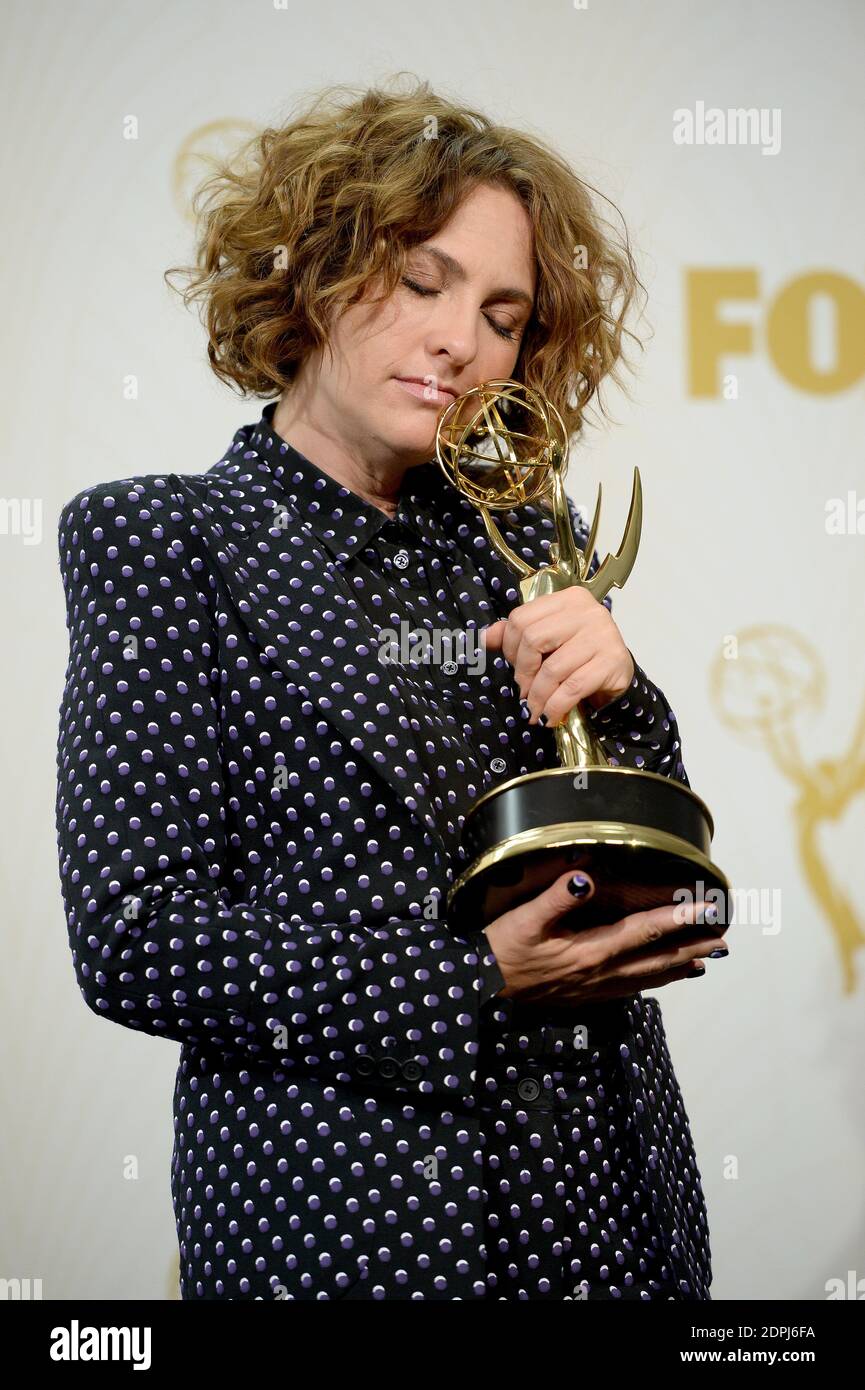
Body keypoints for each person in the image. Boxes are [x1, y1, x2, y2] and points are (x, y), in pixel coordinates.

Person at [55, 77, 728, 1301]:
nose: (461, 340)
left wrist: (619, 691)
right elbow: (137, 938)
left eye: (504, 314)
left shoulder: (527, 537)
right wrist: (475, 979)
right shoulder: (164, 537)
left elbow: (668, 884)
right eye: (422, 284)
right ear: (311, 276)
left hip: (605, 1220)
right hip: (347, 1232)